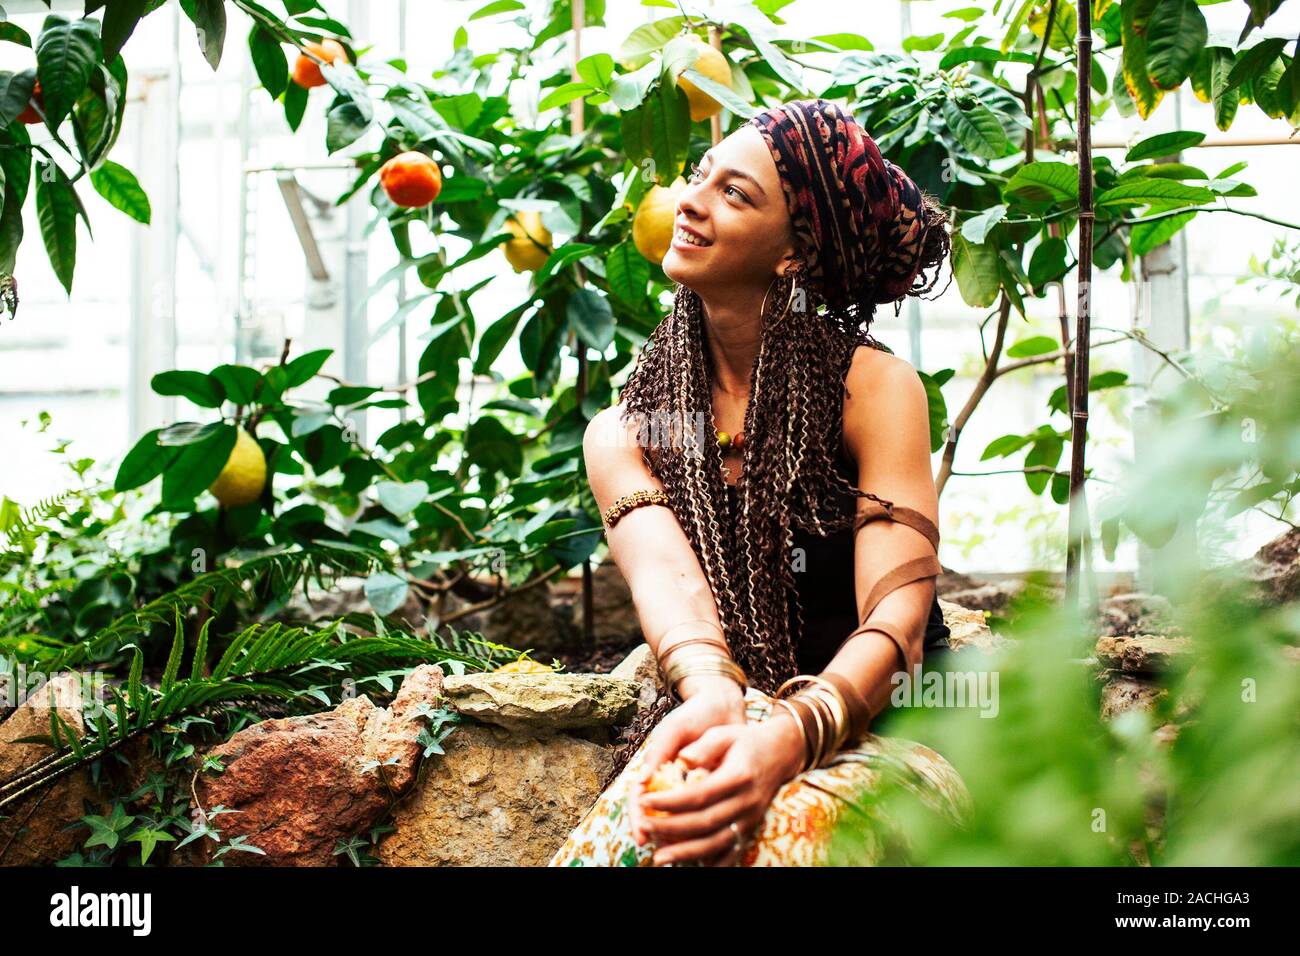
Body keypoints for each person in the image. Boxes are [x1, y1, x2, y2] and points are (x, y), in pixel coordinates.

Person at [548, 99, 970, 867]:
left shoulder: (873, 389)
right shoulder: (623, 433)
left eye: (734, 194)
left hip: (898, 731)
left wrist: (789, 738)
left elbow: (898, 625)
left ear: (792, 254)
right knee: (643, 837)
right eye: (698, 176)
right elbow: (683, 616)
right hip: (732, 718)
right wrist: (713, 700)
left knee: (780, 836)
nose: (691, 202)